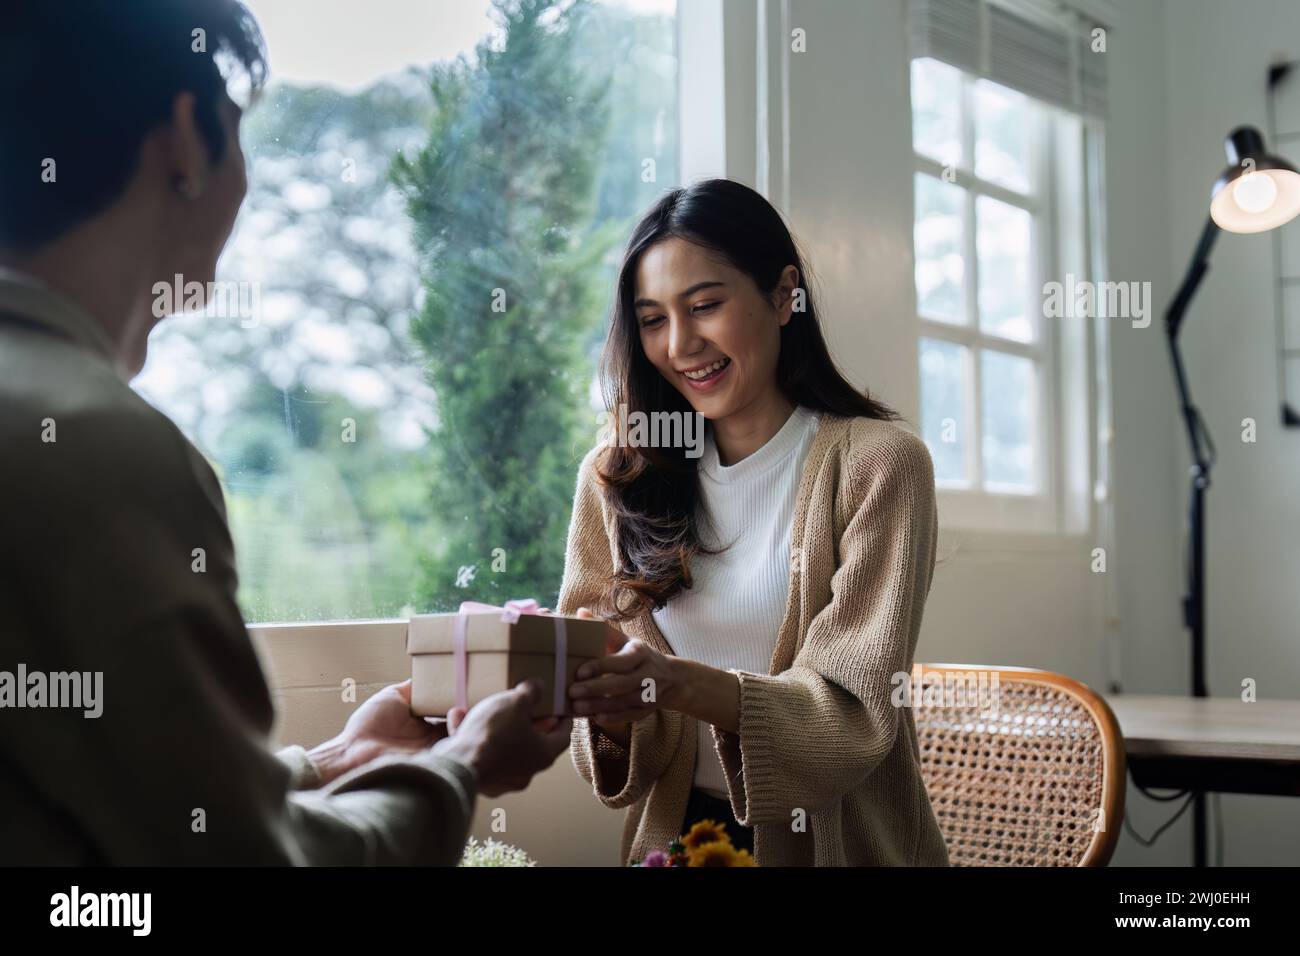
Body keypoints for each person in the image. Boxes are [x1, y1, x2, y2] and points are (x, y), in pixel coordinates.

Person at [0, 0, 570, 865]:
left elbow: (135, 806)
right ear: (189, 139)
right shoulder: (99, 449)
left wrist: (338, 761)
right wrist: (460, 767)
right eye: (243, 127)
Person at [558, 179, 949, 866]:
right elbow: (609, 757)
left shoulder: (880, 465)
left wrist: (679, 683)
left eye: (705, 305)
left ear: (782, 294)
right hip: (677, 843)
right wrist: (605, 702)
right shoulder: (616, 477)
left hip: (836, 844)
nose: (680, 345)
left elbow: (854, 714)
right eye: (652, 320)